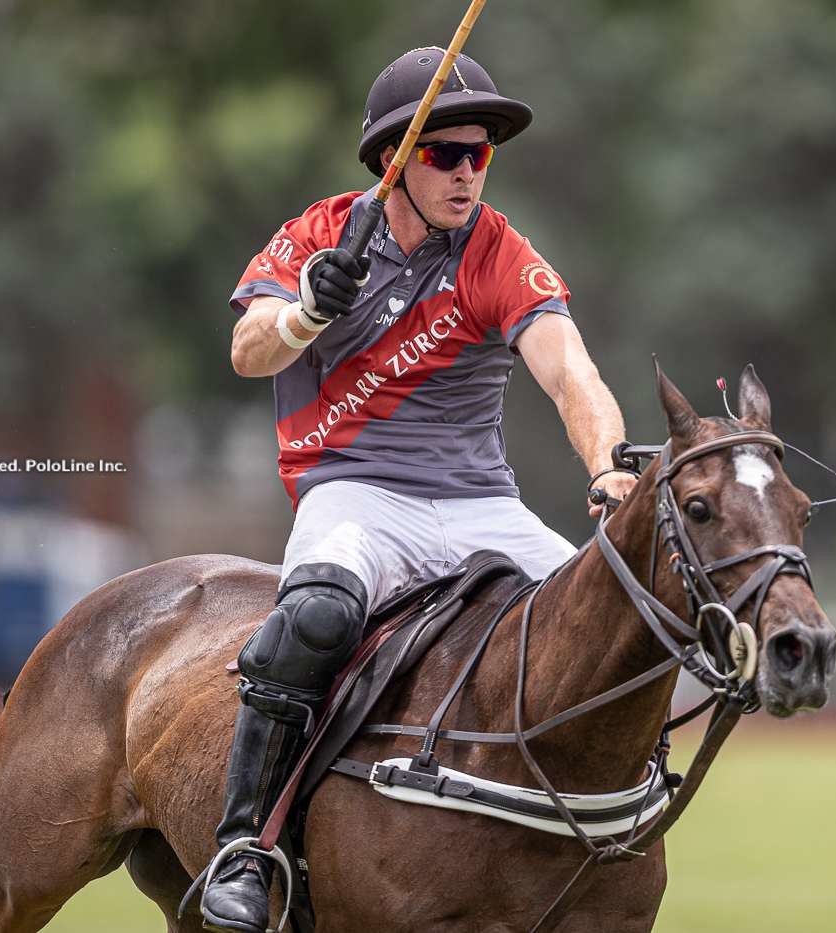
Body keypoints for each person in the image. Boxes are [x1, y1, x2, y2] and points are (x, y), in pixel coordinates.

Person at [200, 47, 637, 932]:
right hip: (356, 493)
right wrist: (305, 312)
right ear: (394, 159)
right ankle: (245, 847)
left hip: (481, 503)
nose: (469, 173)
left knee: (618, 615)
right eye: (447, 155)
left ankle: (609, 833)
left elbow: (572, 374)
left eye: (481, 154)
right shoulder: (322, 233)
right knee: (316, 619)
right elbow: (249, 351)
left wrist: (608, 468)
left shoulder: (499, 252)